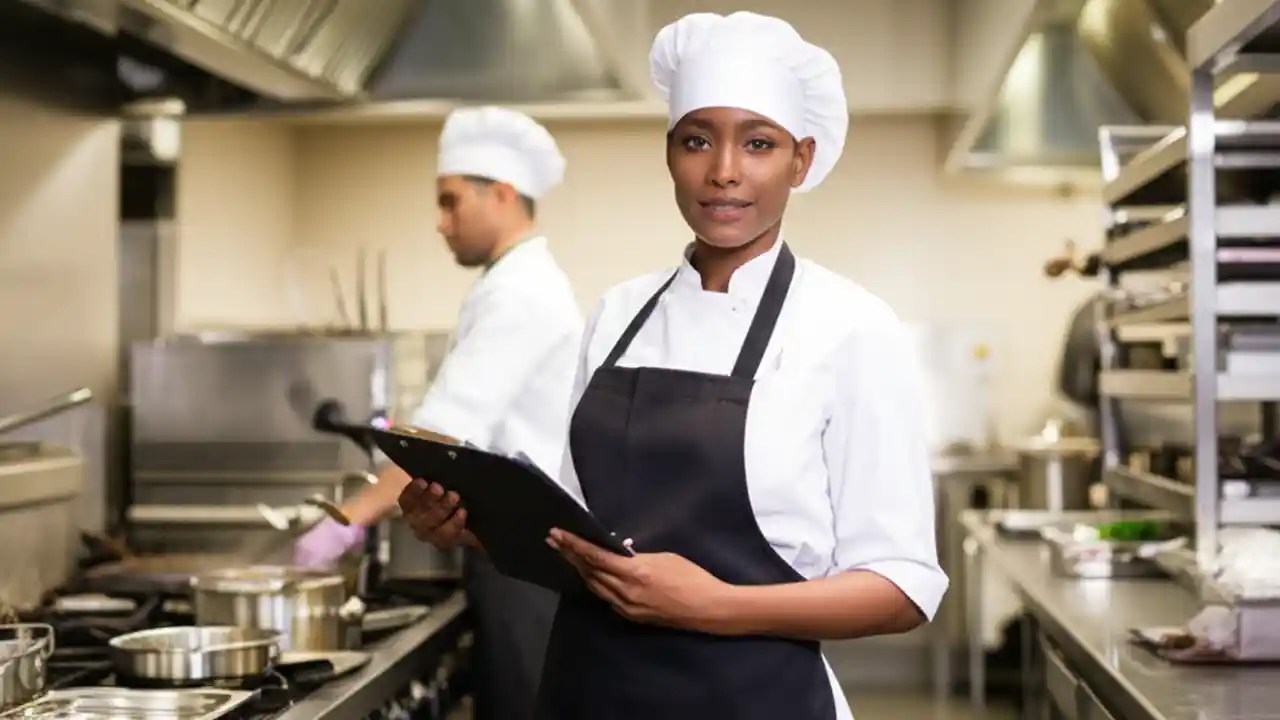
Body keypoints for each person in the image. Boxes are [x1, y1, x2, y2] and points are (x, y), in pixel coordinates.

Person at [398, 12, 947, 719]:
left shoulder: (850, 328)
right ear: (669, 154)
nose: (723, 170)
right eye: (697, 140)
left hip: (755, 700)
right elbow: (576, 536)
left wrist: (716, 606)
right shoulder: (619, 314)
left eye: (757, 143)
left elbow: (903, 589)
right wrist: (466, 523)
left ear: (800, 161)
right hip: (587, 693)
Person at [294, 106, 582, 720]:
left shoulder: (521, 294)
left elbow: (444, 433)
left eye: (451, 202)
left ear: (501, 195)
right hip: (510, 556)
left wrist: (347, 520)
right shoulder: (510, 284)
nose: (439, 222)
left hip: (526, 565)